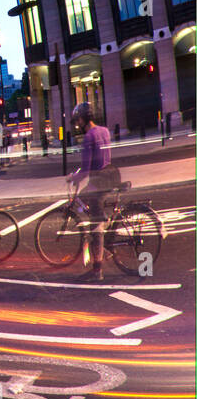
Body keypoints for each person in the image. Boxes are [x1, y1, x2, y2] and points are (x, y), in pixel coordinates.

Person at [67, 102, 118, 281]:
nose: (77, 124)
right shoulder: (104, 131)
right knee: (83, 201)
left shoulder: (89, 137)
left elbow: (86, 169)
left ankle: (97, 270)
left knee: (95, 225)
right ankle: (102, 232)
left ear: (82, 119)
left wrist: (74, 178)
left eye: (77, 120)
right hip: (111, 176)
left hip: (98, 183)